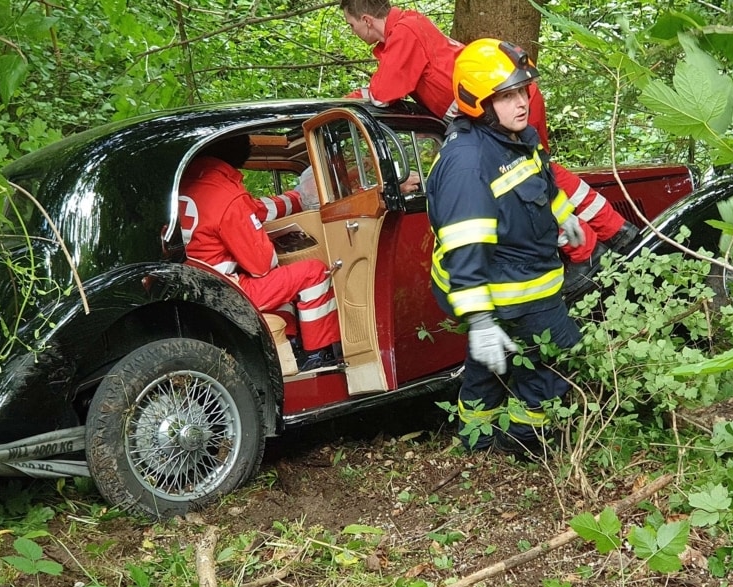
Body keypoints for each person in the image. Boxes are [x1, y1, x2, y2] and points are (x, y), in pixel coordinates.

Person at [338, 0, 638, 262]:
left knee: (529, 174)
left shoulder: (403, 34)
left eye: (351, 25)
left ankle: (588, 252)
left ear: (366, 20)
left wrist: (352, 97)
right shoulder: (409, 25)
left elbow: (381, 94)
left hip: (504, 102)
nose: (352, 31)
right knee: (538, 170)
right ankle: (612, 232)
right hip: (505, 101)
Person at [426, 38, 584, 453]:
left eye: (522, 91)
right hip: (506, 286)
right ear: (478, 102)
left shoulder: (515, 135)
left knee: (492, 361)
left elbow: (541, 183)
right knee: (557, 359)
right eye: (507, 95)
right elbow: (465, 251)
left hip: (520, 274)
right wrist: (479, 320)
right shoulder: (468, 163)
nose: (522, 103)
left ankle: (474, 439)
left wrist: (563, 214)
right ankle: (523, 445)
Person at [179, 136, 341, 370]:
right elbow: (263, 265)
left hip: (199, 287)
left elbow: (255, 209)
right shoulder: (227, 194)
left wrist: (299, 198)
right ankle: (319, 354)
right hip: (229, 290)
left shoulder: (189, 182)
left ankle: (289, 347)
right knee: (313, 272)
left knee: (282, 289)